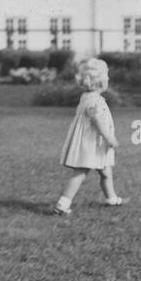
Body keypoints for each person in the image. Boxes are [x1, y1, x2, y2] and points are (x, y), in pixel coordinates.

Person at [53, 57, 122, 215]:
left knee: (105, 171)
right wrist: (108, 137)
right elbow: (96, 121)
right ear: (99, 81)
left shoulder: (88, 97)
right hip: (91, 143)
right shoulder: (93, 101)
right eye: (106, 77)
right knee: (81, 172)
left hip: (95, 143)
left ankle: (111, 198)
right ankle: (62, 204)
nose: (108, 80)